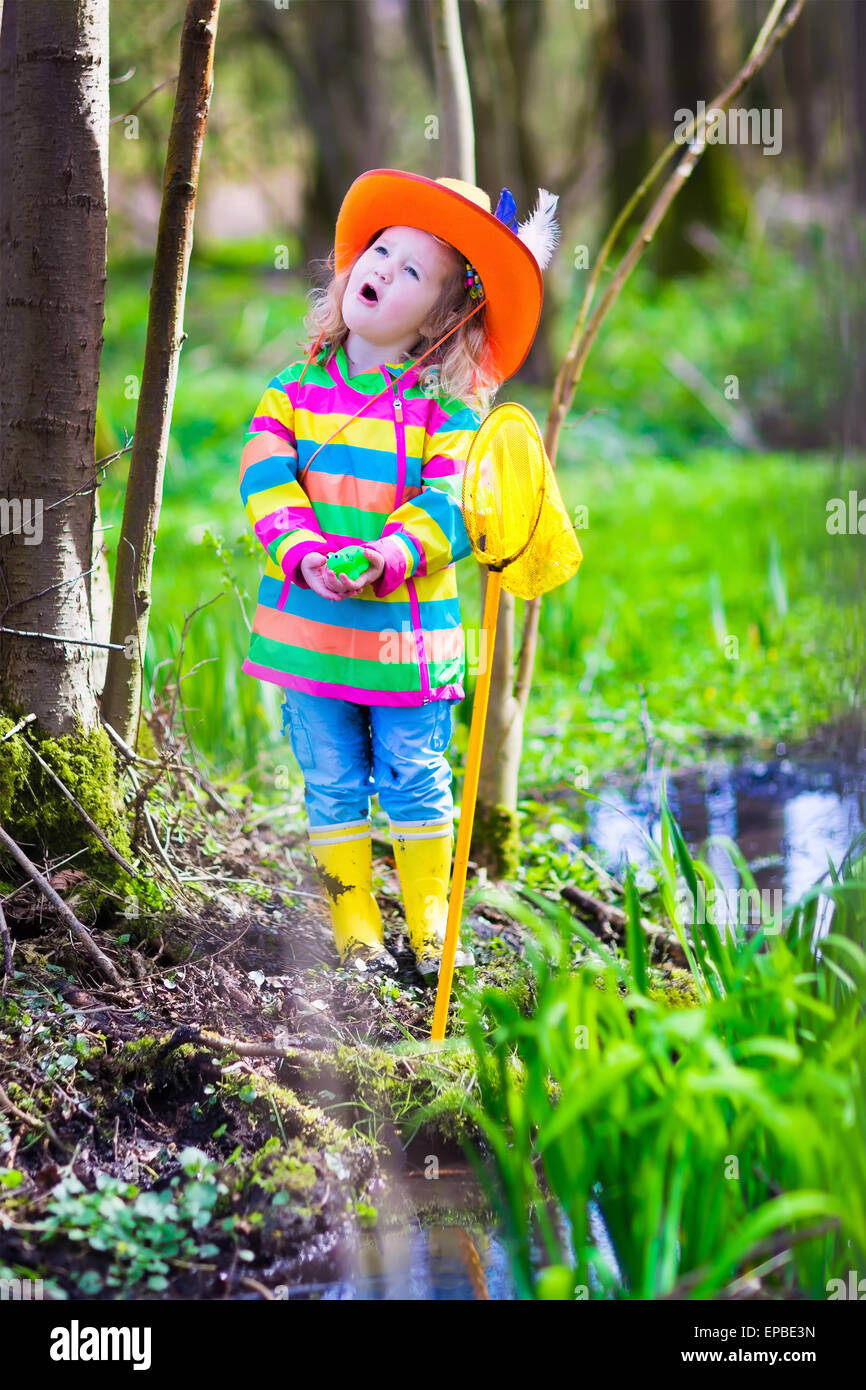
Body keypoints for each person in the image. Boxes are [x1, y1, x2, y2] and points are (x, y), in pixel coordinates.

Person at [239, 169, 560, 980]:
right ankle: (355, 929)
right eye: (381, 250)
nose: (382, 267)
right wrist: (304, 548)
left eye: (413, 270)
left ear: (446, 318)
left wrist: (391, 553)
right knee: (330, 776)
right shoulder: (296, 388)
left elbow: (456, 499)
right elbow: (263, 472)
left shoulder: (446, 411)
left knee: (415, 776)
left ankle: (429, 931)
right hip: (312, 629)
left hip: (404, 643)